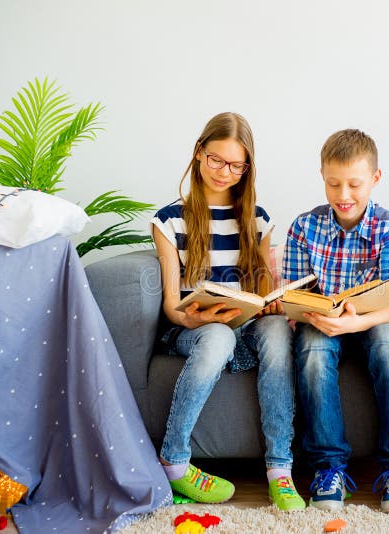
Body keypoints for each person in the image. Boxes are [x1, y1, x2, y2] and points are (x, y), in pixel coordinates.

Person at [151, 112, 305, 511]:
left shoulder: (257, 218)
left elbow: (260, 290)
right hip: (193, 328)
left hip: (243, 324)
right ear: (199, 153)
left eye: (237, 165)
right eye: (217, 160)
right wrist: (196, 318)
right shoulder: (169, 220)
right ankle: (174, 458)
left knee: (276, 331)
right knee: (218, 334)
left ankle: (280, 471)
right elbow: (171, 306)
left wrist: (271, 301)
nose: (225, 172)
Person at [282, 129, 389, 513]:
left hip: (374, 322)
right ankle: (328, 469)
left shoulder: (388, 227)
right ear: (322, 176)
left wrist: (354, 324)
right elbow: (296, 295)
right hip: (322, 323)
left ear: (375, 179)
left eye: (354, 185)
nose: (343, 195)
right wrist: (318, 316)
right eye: (333, 184)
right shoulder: (304, 228)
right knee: (310, 349)